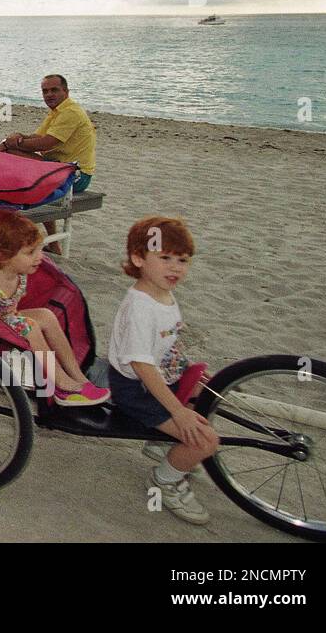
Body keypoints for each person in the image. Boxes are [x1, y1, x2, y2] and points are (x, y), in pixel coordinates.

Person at [107, 216, 218, 525]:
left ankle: (162, 442)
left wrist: (187, 374)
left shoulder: (163, 294)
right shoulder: (141, 307)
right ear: (138, 258)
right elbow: (142, 365)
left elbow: (167, 344)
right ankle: (164, 480)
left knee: (207, 391)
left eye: (182, 260)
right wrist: (177, 411)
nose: (175, 268)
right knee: (205, 441)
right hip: (136, 389)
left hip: (161, 376)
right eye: (165, 258)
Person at [0, 209, 110, 406]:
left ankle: (77, 375)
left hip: (5, 322)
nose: (39, 257)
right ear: (2, 256)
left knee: (46, 315)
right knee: (30, 326)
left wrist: (16, 320)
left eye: (39, 250)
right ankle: (61, 383)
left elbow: (12, 311)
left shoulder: (18, 276)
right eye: (30, 252)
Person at [0, 73, 96, 250]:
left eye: (54, 90)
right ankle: (54, 244)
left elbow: (47, 143)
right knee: (15, 156)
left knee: (11, 154)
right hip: (59, 167)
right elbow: (38, 136)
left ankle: (7, 195)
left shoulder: (70, 112)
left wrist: (14, 143)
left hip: (77, 175)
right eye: (45, 91)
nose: (49, 94)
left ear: (66, 91)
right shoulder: (57, 111)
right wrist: (19, 136)